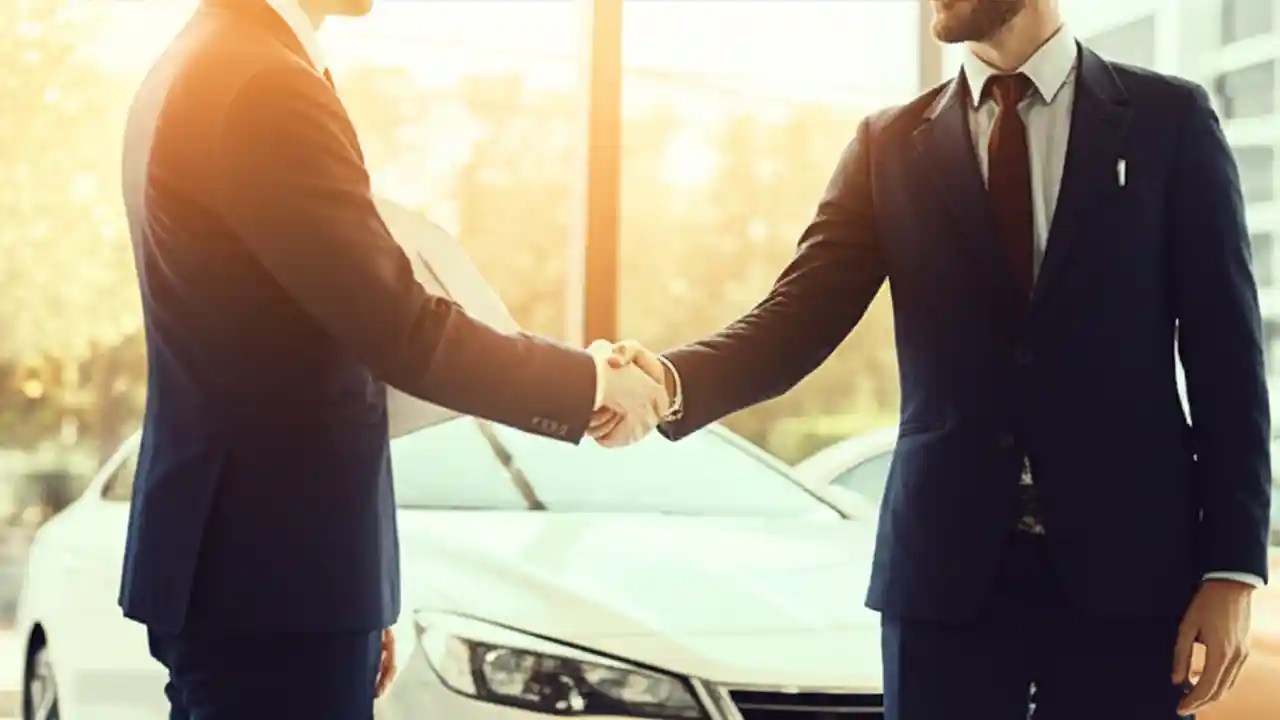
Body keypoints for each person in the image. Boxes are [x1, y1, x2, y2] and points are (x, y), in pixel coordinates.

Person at [592, 0, 1272, 717]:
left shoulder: (1170, 121)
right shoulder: (887, 145)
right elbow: (795, 321)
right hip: (946, 576)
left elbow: (1227, 361)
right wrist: (668, 382)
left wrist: (1232, 569)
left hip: (1128, 571)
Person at [118, 0, 666, 717]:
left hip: (260, 570)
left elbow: (298, 333)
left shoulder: (203, 59)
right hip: (276, 580)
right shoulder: (262, 84)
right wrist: (589, 381)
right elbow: (397, 326)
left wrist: (359, 584)